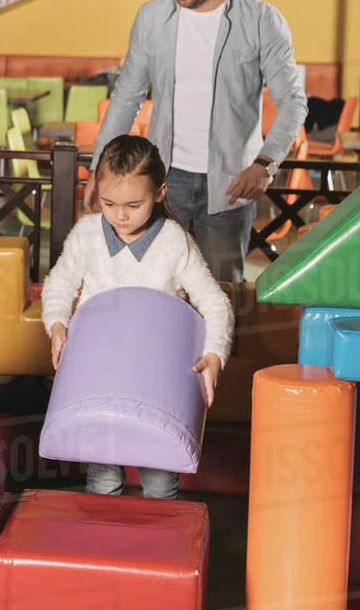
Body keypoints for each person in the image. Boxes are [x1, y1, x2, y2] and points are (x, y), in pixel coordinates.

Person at [86, 0, 307, 283]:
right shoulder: (151, 17)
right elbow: (126, 96)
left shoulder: (261, 20)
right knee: (153, 286)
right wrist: (98, 168)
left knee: (218, 294)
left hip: (230, 184)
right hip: (160, 181)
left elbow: (293, 102)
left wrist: (265, 163)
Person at [42, 135, 232, 500]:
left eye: (134, 204)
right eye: (109, 203)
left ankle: (160, 553)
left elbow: (214, 302)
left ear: (160, 193)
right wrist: (56, 323)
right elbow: (60, 282)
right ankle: (99, 554)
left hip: (157, 374)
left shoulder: (174, 241)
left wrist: (214, 354)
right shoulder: (88, 233)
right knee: (102, 477)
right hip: (99, 373)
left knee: (161, 481)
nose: (121, 215)